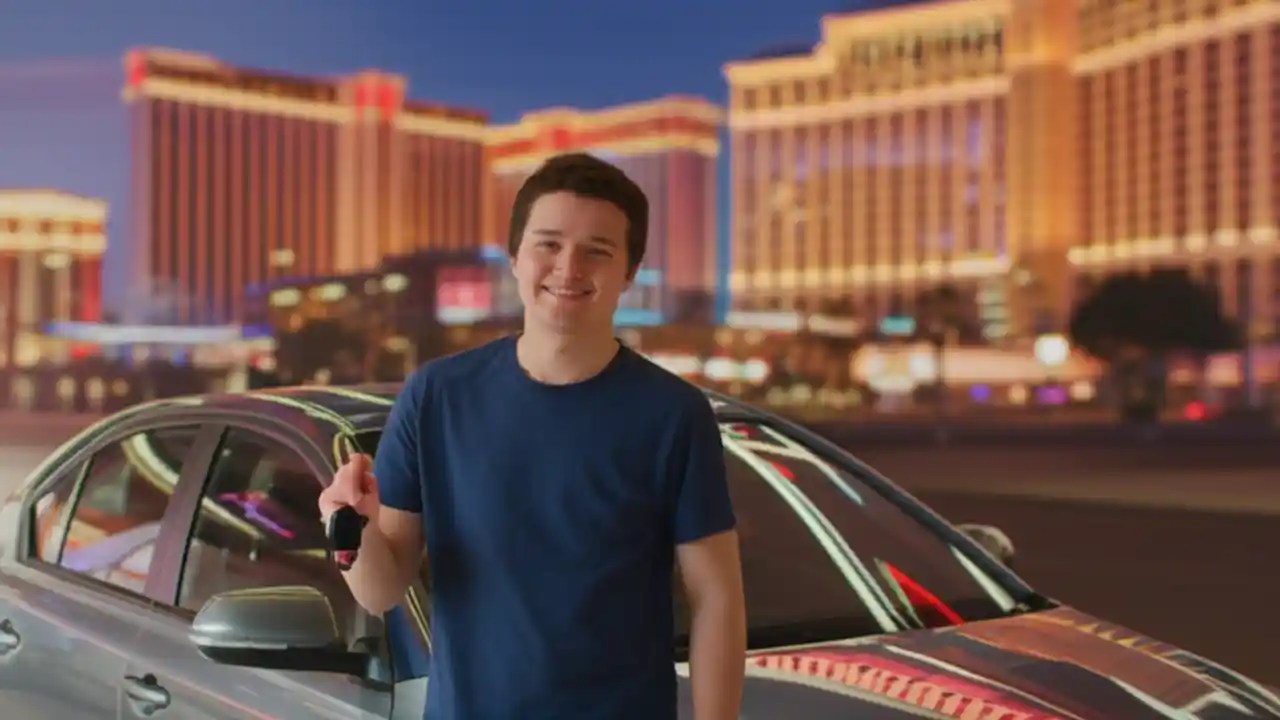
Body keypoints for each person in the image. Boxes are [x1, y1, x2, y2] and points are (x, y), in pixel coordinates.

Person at [318, 152, 747, 720]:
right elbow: (382, 589)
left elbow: (715, 598)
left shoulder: (673, 414)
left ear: (629, 273)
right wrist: (349, 529)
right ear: (516, 258)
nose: (569, 268)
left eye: (598, 251)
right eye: (549, 244)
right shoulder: (436, 397)